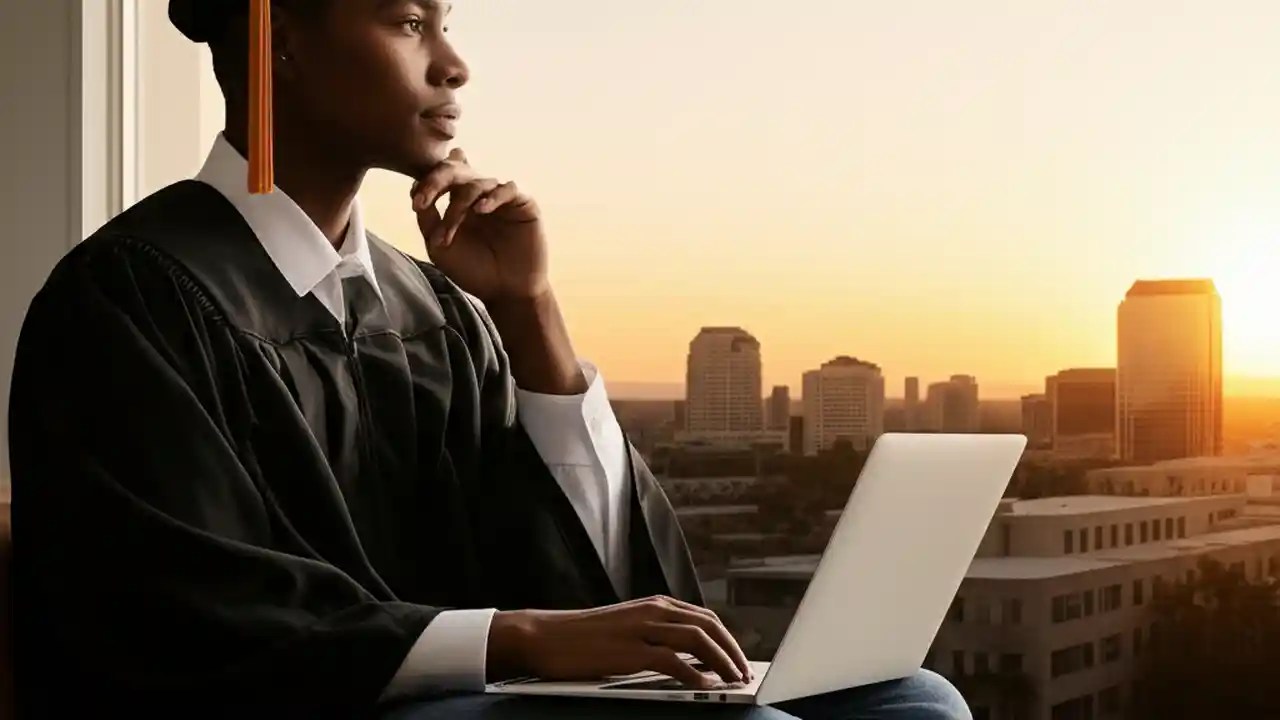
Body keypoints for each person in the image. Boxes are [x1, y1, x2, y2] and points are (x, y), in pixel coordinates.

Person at [8, 1, 970, 718]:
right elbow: (183, 614)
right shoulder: (132, 298)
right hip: (318, 710)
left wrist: (529, 312)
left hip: (471, 698)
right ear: (281, 42)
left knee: (912, 700)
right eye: (408, 23)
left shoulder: (432, 311)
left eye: (446, 24)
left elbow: (591, 582)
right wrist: (521, 638)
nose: (454, 64)